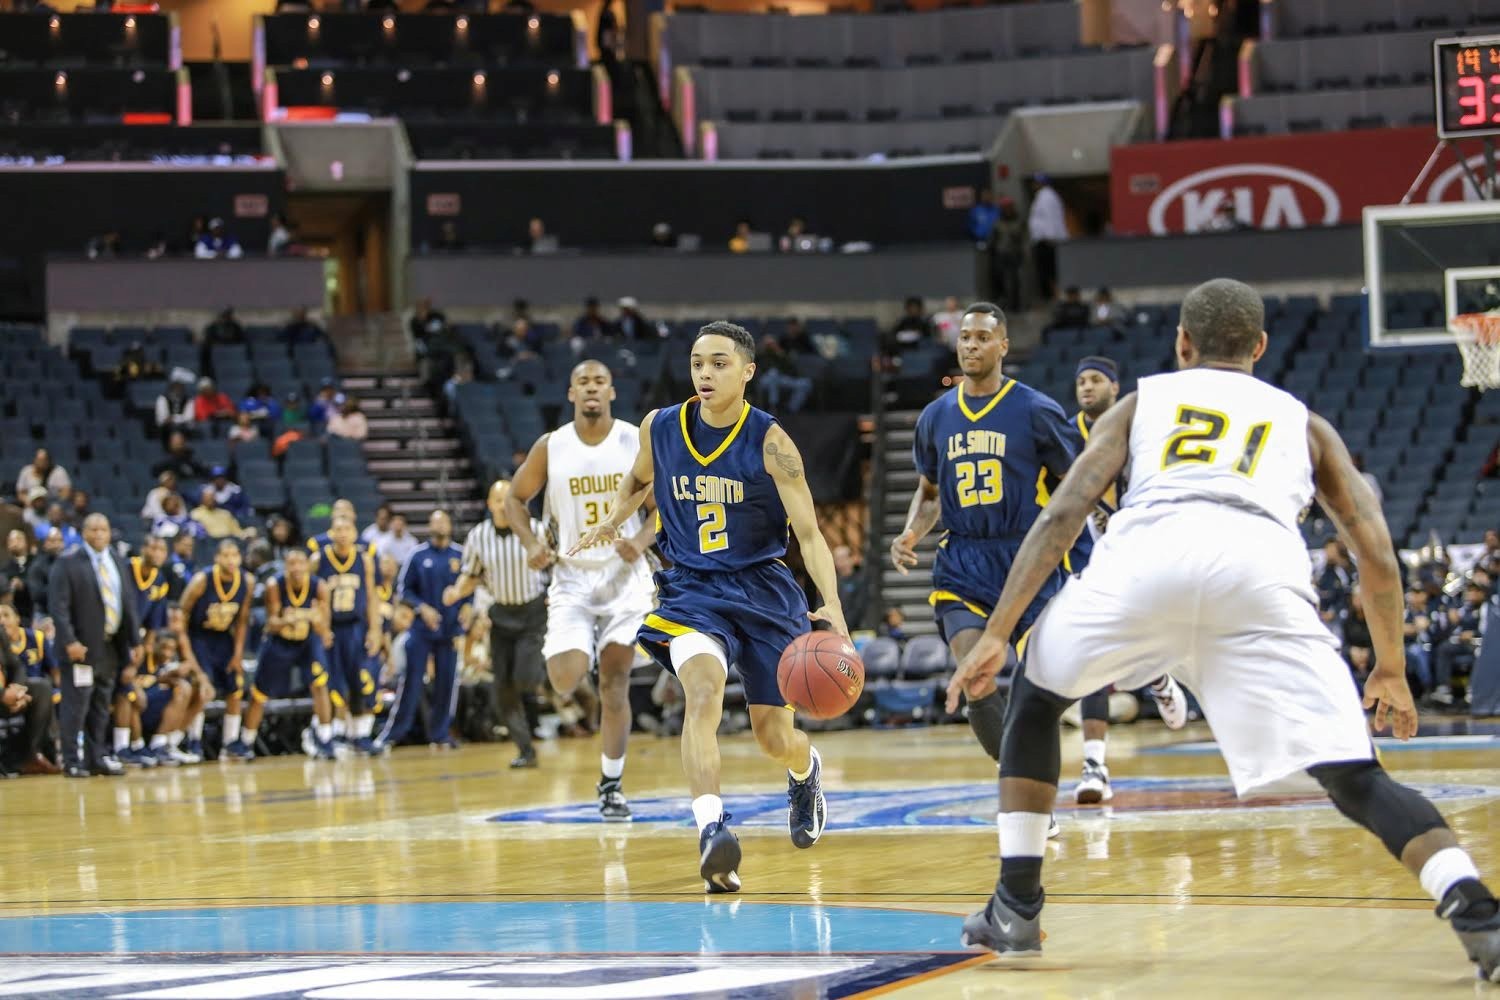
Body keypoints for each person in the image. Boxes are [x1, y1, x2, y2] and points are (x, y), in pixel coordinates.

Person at [944, 278, 1500, 981]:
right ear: (1260, 347)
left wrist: (998, 632)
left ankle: (1016, 905)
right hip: (1259, 576)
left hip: (1145, 564)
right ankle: (1474, 906)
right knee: (1355, 776)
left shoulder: (1141, 402)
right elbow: (1378, 557)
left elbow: (1062, 514)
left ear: (1182, 342)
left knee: (1036, 695)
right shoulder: (1304, 423)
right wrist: (1389, 667)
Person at [574, 321, 849, 893]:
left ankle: (804, 770)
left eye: (720, 364)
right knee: (701, 693)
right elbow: (637, 481)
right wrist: (612, 520)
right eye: (698, 363)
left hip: (764, 593)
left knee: (774, 738)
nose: (705, 373)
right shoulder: (660, 426)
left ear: (747, 372)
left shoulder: (772, 442)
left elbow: (810, 534)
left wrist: (834, 609)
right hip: (694, 590)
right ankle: (712, 830)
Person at [889, 302, 1079, 811]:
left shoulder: (1035, 410)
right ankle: (1021, 787)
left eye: (982, 338)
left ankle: (1034, 777)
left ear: (1003, 346)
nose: (971, 345)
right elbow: (930, 494)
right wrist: (911, 531)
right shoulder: (935, 417)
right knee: (975, 676)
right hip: (963, 562)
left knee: (1038, 688)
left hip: (1027, 558)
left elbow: (1077, 484)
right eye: (965, 337)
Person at [502, 361, 658, 811]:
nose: (592, 388)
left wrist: (640, 542)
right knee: (565, 679)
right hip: (571, 576)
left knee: (615, 684)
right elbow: (514, 499)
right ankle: (582, 648)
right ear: (571, 393)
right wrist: (531, 542)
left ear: (612, 391)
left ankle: (611, 783)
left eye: (599, 382)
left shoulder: (633, 439)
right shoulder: (552, 446)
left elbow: (663, 506)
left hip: (624, 577)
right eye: (583, 382)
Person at [1066, 356, 1187, 805]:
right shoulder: (1064, 434)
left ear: (1115, 387)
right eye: (1081, 380)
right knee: (1091, 656)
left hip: (1142, 547)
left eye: (1096, 379)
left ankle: (1157, 674)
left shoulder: (1142, 430)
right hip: (1088, 553)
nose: (1087, 387)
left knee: (1149, 636)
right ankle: (1094, 765)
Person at [445, 480, 547, 769]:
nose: (503, 506)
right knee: (503, 688)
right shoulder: (478, 536)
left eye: (508, 499)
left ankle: (545, 675)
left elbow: (555, 564)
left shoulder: (535, 529)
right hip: (501, 615)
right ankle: (525, 750)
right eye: (498, 500)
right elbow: (471, 574)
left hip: (532, 612)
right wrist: (456, 592)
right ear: (489, 504)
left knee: (525, 678)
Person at [48, 513, 142, 778]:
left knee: (101, 705)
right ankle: (71, 760)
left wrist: (135, 641)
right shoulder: (67, 562)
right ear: (84, 533)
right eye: (94, 529)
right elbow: (58, 607)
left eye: (104, 529)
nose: (99, 534)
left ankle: (96, 757)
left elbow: (127, 603)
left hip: (110, 646)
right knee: (76, 705)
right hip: (80, 649)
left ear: (110, 532)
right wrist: (70, 641)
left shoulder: (117, 560)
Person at [375, 510, 468, 751]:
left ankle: (440, 734)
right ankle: (392, 734)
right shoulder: (417, 555)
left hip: (450, 629)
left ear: (450, 525)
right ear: (429, 526)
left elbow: (471, 587)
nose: (441, 525)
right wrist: (422, 608)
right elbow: (404, 590)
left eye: (444, 521)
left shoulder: (461, 555)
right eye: (436, 522)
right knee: (411, 682)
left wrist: (468, 607)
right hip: (421, 630)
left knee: (447, 683)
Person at [238, 547, 338, 760]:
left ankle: (325, 738)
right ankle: (245, 742)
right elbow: (272, 624)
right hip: (280, 642)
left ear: (308, 566)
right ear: (285, 566)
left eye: (301, 563)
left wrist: (317, 621)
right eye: (292, 564)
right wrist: (289, 620)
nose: (296, 568)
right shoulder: (274, 585)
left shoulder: (319, 586)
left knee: (320, 685)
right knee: (259, 692)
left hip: (308, 642)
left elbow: (325, 630)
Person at [311, 515, 383, 754]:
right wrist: (321, 627)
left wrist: (375, 629)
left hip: (355, 627)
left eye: (347, 529)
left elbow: (371, 597)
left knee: (362, 679)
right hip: (331, 629)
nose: (342, 534)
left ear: (354, 534)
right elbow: (312, 597)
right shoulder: (319, 559)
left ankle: (361, 734)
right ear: (331, 533)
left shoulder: (364, 560)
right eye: (338, 529)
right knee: (333, 683)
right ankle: (333, 733)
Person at [179, 539, 253, 759]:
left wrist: (238, 654)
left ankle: (230, 743)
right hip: (199, 636)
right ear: (217, 558)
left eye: (234, 555)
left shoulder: (247, 581)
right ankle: (193, 740)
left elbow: (242, 621)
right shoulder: (202, 580)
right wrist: (184, 649)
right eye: (226, 555)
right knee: (202, 687)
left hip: (224, 638)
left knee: (235, 688)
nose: (230, 560)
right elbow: (182, 614)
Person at [0, 604, 58, 777]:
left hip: (6, 696)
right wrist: (3, 695)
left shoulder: (1, 634)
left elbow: (17, 666)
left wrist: (17, 691)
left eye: (6, 615)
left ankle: (30, 756)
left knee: (41, 688)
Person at [1027, 174, 1068, 300]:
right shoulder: (1044, 195)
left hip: (1047, 241)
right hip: (1044, 240)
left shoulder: (1047, 196)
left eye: (1036, 182)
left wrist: (1050, 237)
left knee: (1049, 272)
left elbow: (1050, 217)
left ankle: (1055, 296)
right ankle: (1054, 296)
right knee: (1047, 272)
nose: (1034, 185)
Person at [27, 529, 65, 619]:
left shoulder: (69, 562)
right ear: (45, 544)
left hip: (66, 611)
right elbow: (36, 594)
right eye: (52, 541)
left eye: (60, 540)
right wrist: (61, 589)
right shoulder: (37, 566)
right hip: (44, 613)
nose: (57, 544)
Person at [1, 529, 35, 621]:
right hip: (16, 610)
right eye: (11, 540)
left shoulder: (36, 562)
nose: (15, 543)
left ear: (26, 542)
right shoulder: (4, 567)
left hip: (34, 607)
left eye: (18, 539)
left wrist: (23, 584)